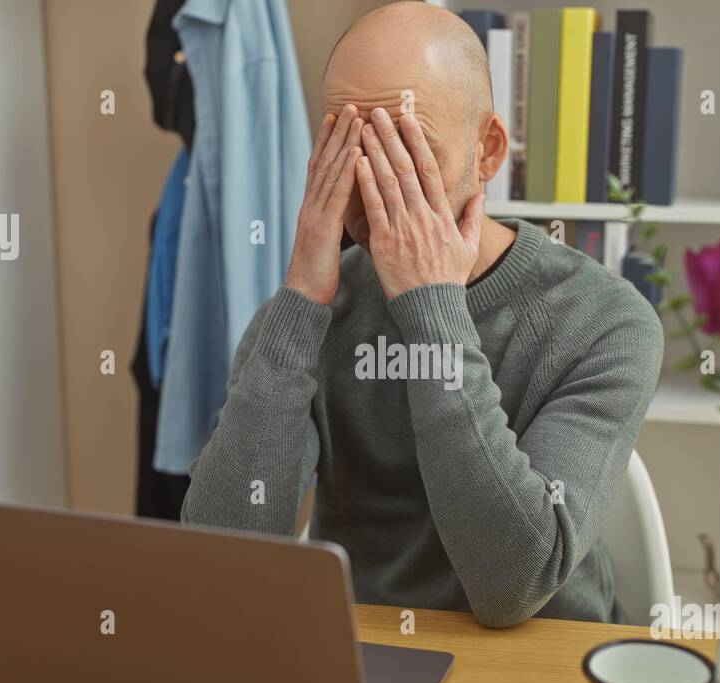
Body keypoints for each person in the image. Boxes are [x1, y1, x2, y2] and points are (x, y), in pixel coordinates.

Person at [181, 2, 662, 627]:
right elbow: (222, 564)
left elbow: (514, 583)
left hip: (545, 662)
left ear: (487, 152)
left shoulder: (605, 320)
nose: (375, 181)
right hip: (373, 658)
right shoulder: (307, 312)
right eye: (349, 144)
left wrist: (430, 310)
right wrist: (301, 294)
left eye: (407, 148)